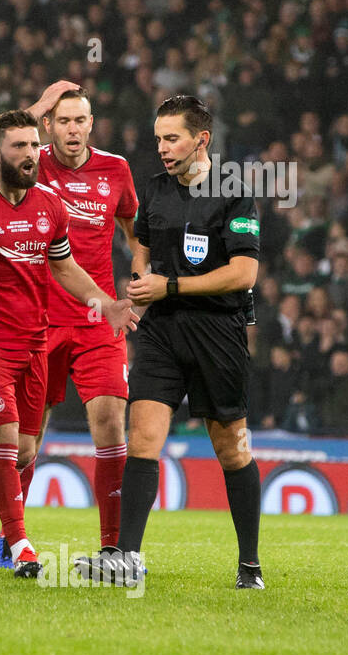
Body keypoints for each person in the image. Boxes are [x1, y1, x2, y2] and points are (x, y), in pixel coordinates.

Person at [0, 109, 136, 576]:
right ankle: (21, 547)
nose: (29, 155)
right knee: (3, 442)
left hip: (35, 344)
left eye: (32, 145)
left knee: (23, 453)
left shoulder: (50, 206)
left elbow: (64, 267)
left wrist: (106, 303)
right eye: (18, 147)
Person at [77, 95, 264, 590]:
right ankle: (127, 558)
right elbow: (141, 244)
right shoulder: (155, 189)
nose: (161, 147)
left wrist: (171, 286)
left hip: (218, 333)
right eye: (158, 137)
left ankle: (250, 564)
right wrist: (141, 279)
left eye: (172, 137)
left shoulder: (235, 193)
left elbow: (244, 273)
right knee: (141, 438)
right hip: (161, 331)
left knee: (231, 449)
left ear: (201, 139)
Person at [5, 86, 140, 565]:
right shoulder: (30, 162)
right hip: (38, 319)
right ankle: (11, 538)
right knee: (24, 442)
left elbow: (134, 234)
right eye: (63, 121)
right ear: (49, 126)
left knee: (109, 421)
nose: (73, 129)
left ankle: (114, 547)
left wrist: (137, 286)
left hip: (97, 319)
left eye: (81, 120)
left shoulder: (116, 170)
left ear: (91, 123)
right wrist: (36, 106)